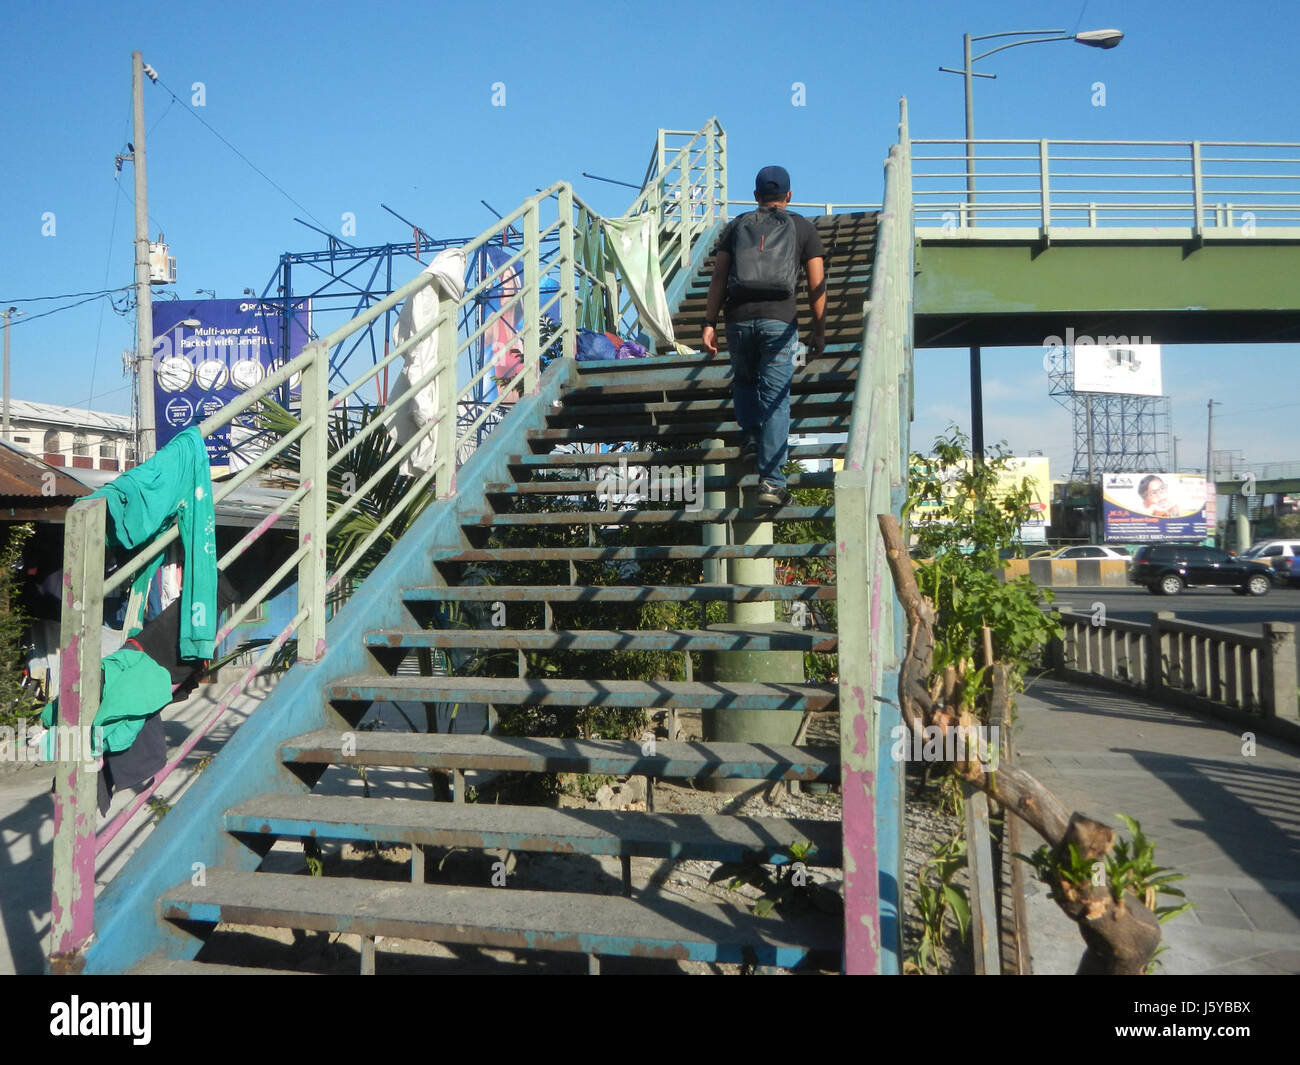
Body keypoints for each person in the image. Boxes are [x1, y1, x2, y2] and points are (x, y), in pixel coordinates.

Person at [702, 165, 826, 507]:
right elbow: (817, 284)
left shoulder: (736, 226)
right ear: (789, 196)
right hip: (780, 323)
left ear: (756, 197)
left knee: (743, 381)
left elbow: (717, 279)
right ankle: (771, 482)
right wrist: (819, 329)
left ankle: (751, 437)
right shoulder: (802, 227)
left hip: (738, 321)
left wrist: (708, 322)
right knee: (775, 399)